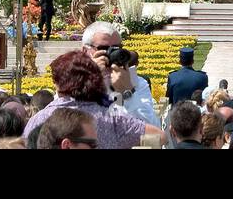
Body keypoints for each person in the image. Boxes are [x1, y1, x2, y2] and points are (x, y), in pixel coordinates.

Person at [23, 50, 158, 149]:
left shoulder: (39, 118)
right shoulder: (109, 117)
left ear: (57, 83)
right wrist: (125, 94)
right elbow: (157, 134)